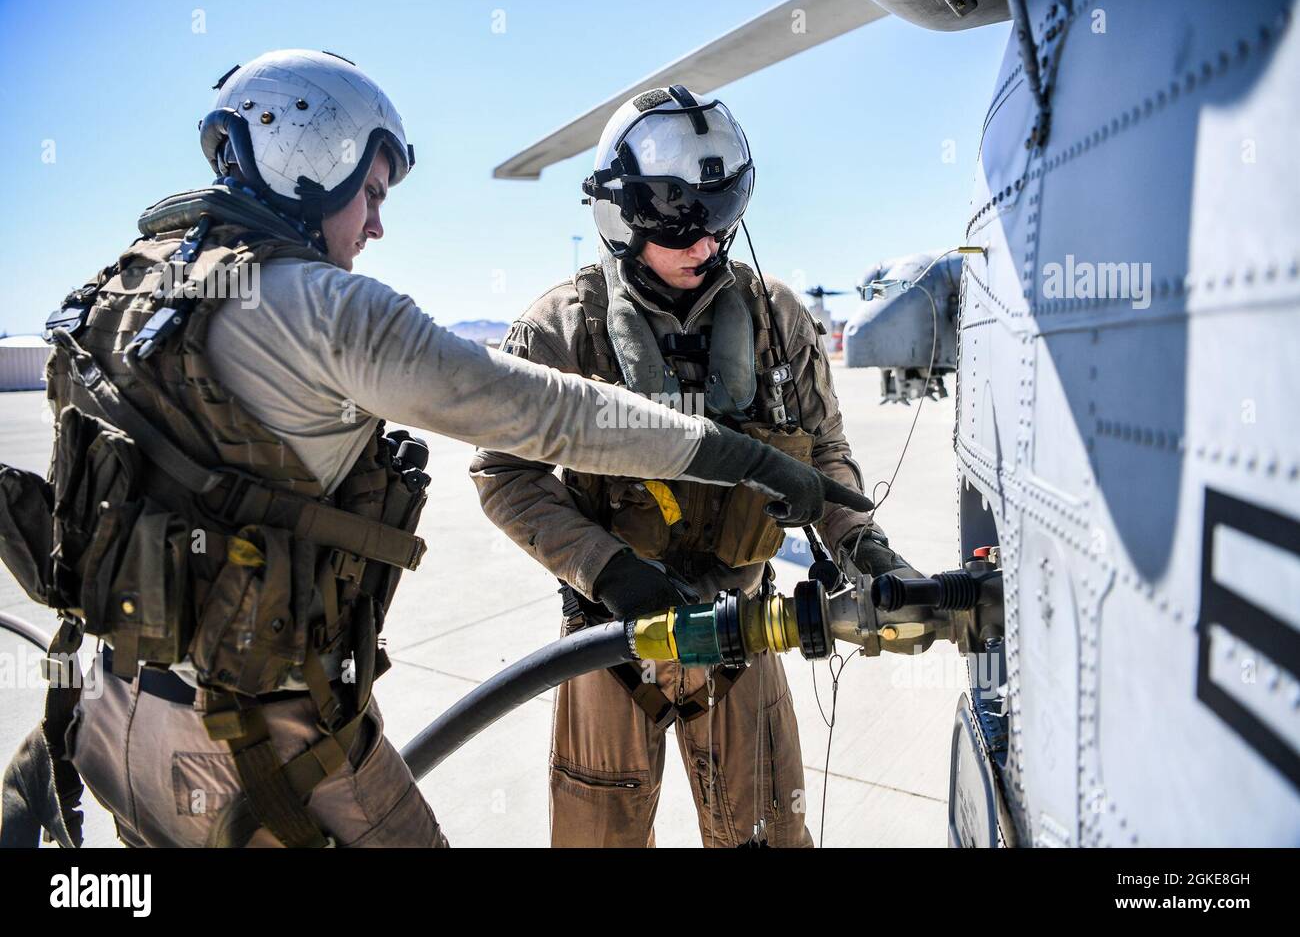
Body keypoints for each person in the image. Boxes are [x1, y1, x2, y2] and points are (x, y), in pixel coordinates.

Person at [0, 53, 864, 849]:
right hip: (257, 739)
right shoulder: (333, 312)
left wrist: (854, 539)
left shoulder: (117, 291)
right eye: (370, 193)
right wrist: (729, 472)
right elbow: (552, 417)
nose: (375, 225)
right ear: (315, 161)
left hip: (95, 713)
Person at [470, 86, 912, 848]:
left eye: (721, 224)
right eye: (684, 231)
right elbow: (504, 474)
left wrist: (862, 546)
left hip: (746, 629)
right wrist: (608, 571)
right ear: (625, 216)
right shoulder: (560, 330)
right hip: (613, 643)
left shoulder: (778, 318)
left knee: (770, 838)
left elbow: (827, 453)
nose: (707, 248)